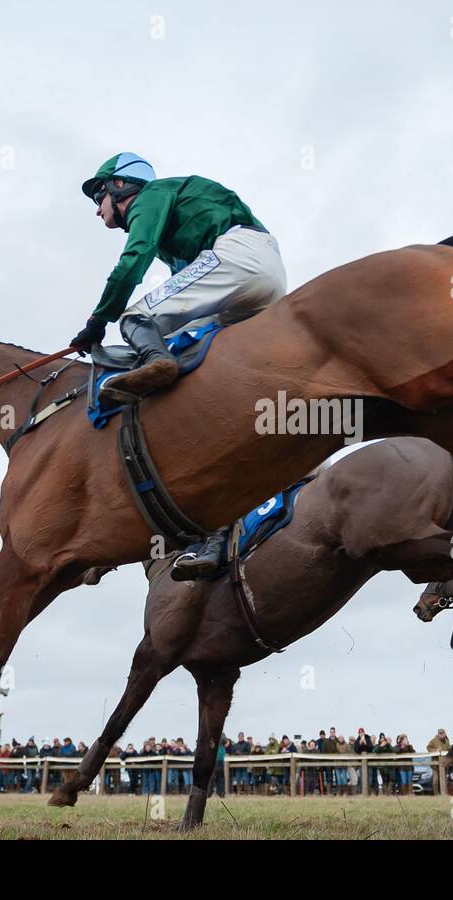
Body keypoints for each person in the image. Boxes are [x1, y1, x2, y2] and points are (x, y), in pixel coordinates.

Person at [69, 153, 288, 582]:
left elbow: (136, 258)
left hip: (239, 260)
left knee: (135, 317)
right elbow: (182, 290)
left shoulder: (150, 197)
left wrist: (98, 320)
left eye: (99, 196)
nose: (97, 210)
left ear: (119, 187)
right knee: (206, 383)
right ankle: (217, 529)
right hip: (264, 276)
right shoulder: (177, 220)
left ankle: (157, 363)